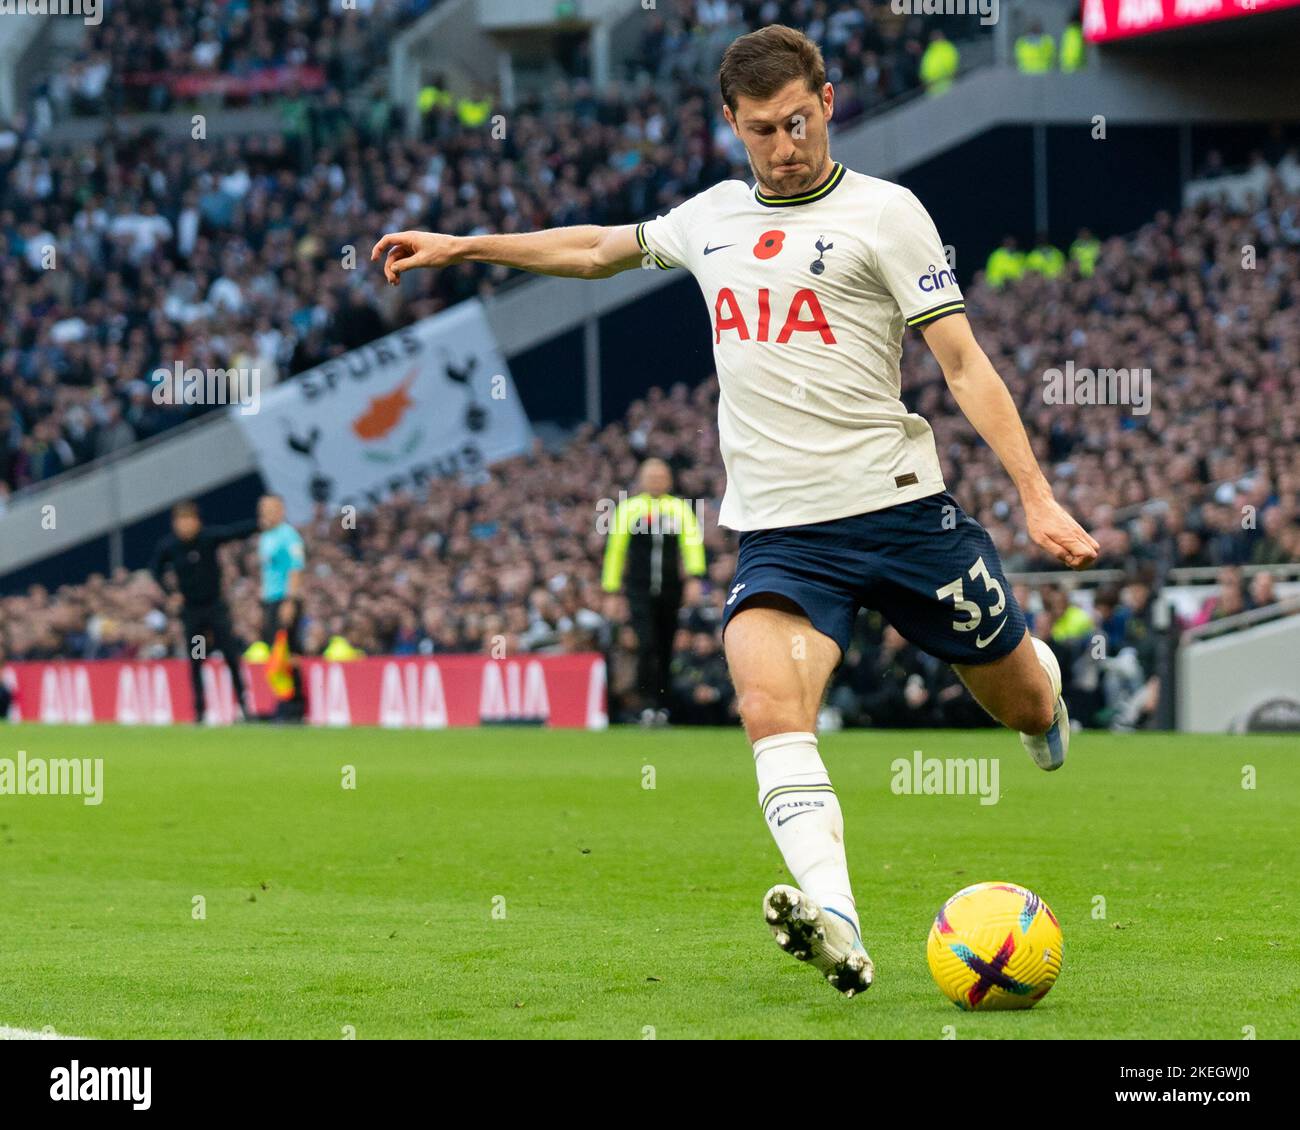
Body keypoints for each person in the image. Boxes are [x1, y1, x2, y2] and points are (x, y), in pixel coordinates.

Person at [371, 23, 1098, 999]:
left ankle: (1043, 694)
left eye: (797, 121)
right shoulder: (712, 217)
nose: (784, 146)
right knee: (767, 702)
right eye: (762, 130)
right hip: (783, 536)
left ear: (828, 101)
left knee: (1021, 699)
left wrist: (1035, 495)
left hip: (900, 511)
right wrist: (467, 244)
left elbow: (960, 362)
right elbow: (597, 248)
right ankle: (835, 914)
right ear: (731, 124)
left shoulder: (887, 216)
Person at [600, 458, 708, 725]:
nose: (657, 480)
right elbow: (616, 551)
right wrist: (611, 590)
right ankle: (646, 704)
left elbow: (692, 544)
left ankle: (662, 707)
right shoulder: (629, 509)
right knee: (646, 644)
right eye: (651, 475)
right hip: (639, 590)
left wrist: (696, 577)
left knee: (666, 647)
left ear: (669, 479)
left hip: (671, 590)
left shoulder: (679, 509)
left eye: (661, 475)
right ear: (641, 479)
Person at [149, 500, 254, 723]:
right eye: (181, 521)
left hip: (215, 608)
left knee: (230, 655)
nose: (186, 526)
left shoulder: (208, 539)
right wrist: (171, 593)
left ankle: (244, 706)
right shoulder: (170, 546)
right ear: (175, 524)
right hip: (193, 612)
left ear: (197, 521)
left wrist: (261, 524)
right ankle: (199, 709)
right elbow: (155, 570)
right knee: (197, 658)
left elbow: (234, 533)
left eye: (189, 520)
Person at [257, 494, 308, 721]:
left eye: (270, 508)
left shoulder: (289, 536)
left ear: (281, 510)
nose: (265, 513)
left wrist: (290, 600)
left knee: (288, 651)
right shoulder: (266, 537)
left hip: (284, 599)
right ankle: (283, 700)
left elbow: (296, 569)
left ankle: (295, 705)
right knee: (276, 653)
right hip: (270, 600)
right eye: (263, 509)